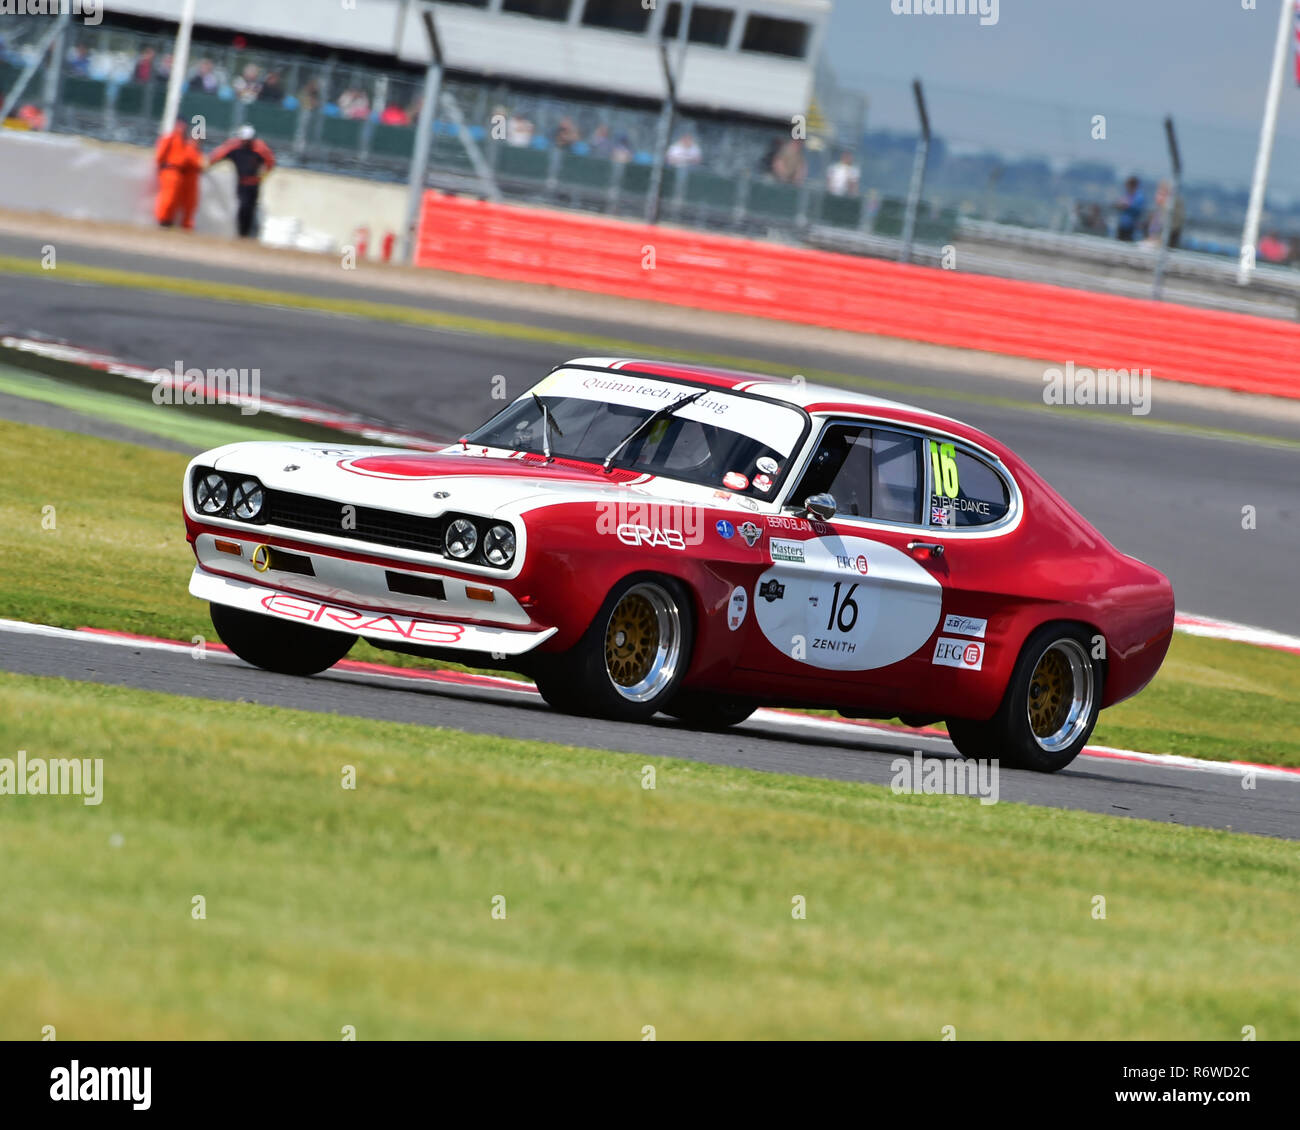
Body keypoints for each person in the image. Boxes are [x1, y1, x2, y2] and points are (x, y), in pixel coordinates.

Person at [207, 124, 276, 238]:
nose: (245, 143)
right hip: (241, 183)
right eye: (243, 140)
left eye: (247, 141)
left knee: (250, 208)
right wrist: (208, 163)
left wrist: (263, 176)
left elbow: (270, 162)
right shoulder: (234, 147)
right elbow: (218, 155)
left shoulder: (259, 148)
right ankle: (241, 233)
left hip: (254, 184)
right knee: (243, 207)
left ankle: (246, 233)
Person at [154, 119, 205, 231]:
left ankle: (170, 221)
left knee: (178, 200)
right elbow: (161, 154)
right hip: (171, 170)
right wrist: (160, 167)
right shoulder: (171, 138)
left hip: (181, 173)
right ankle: (163, 220)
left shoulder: (186, 143)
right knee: (168, 197)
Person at [1114, 175, 1146, 242]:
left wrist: (1127, 206)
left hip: (1132, 227)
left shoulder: (1139, 196)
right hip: (1122, 225)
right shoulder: (1127, 194)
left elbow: (1137, 209)